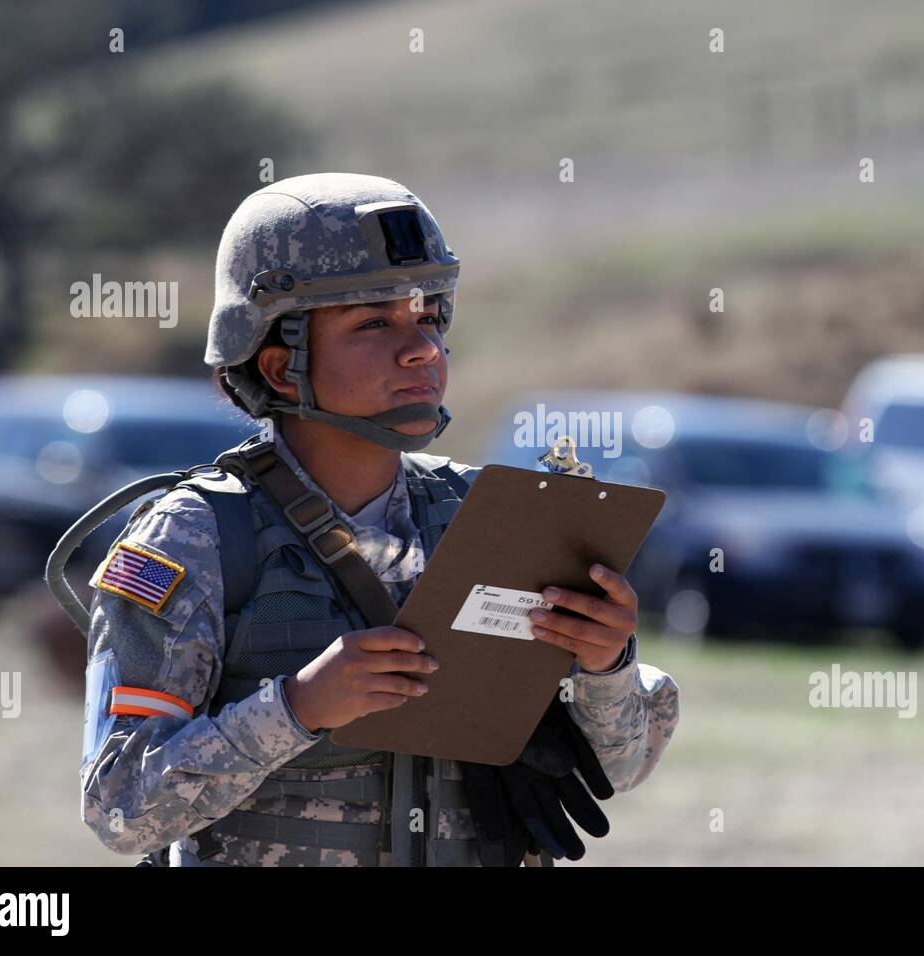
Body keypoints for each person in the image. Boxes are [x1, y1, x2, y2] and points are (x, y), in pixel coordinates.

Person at [77, 172, 681, 866]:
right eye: (374, 323)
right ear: (280, 366)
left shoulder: (493, 518)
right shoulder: (197, 538)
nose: (421, 347)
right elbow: (121, 810)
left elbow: (622, 767)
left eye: (427, 316)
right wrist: (299, 707)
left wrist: (606, 665)